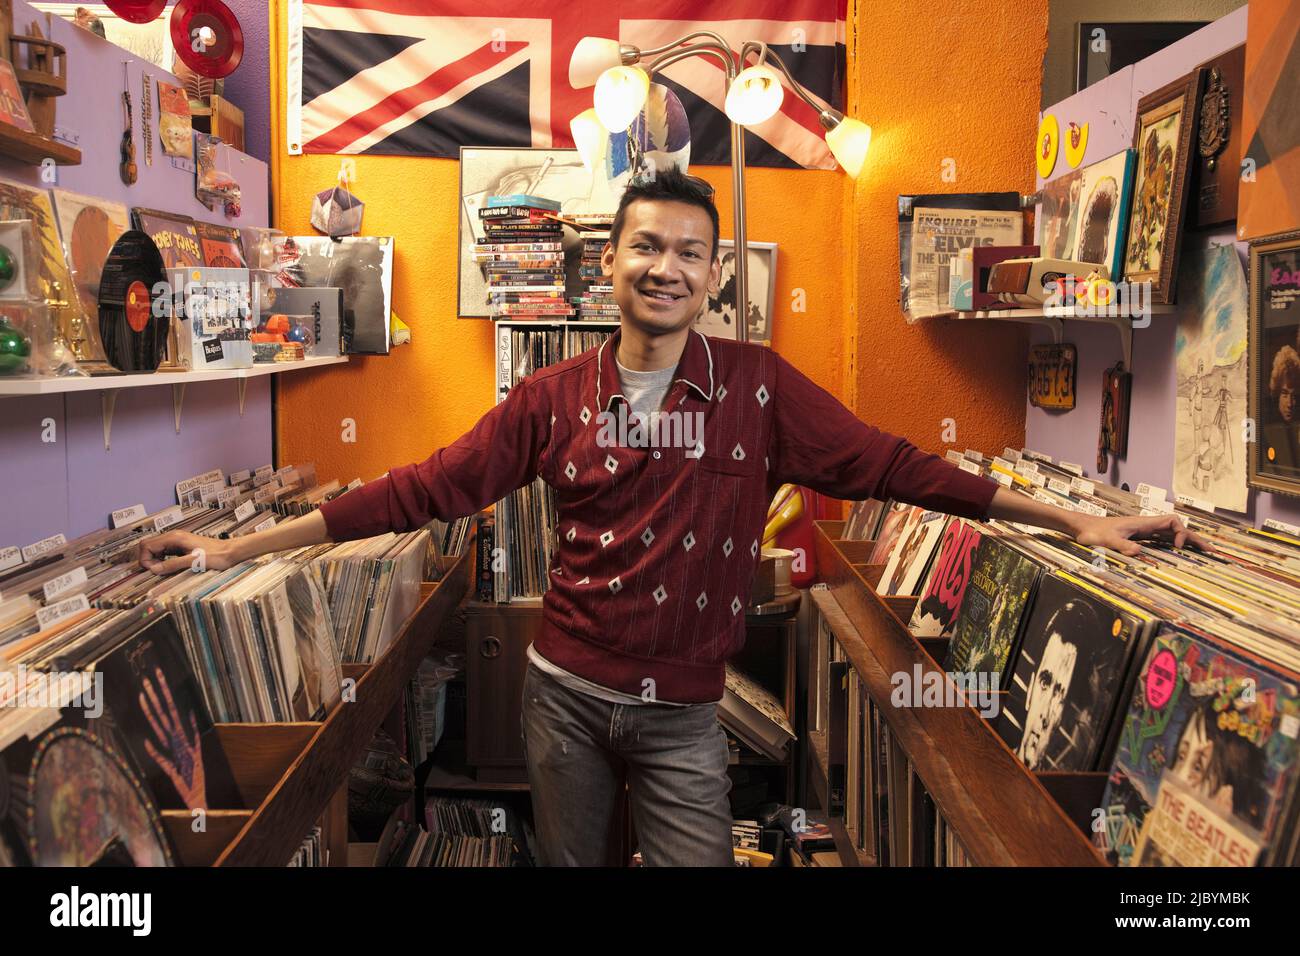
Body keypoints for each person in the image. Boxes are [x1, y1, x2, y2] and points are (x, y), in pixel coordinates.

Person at [138, 168, 1205, 866]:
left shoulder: (756, 386)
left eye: (690, 252)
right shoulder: (549, 400)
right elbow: (415, 489)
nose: (666, 267)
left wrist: (1074, 527)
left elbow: (894, 465)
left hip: (684, 713)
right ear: (612, 262)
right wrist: (233, 546)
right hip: (561, 698)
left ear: (712, 274)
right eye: (647, 247)